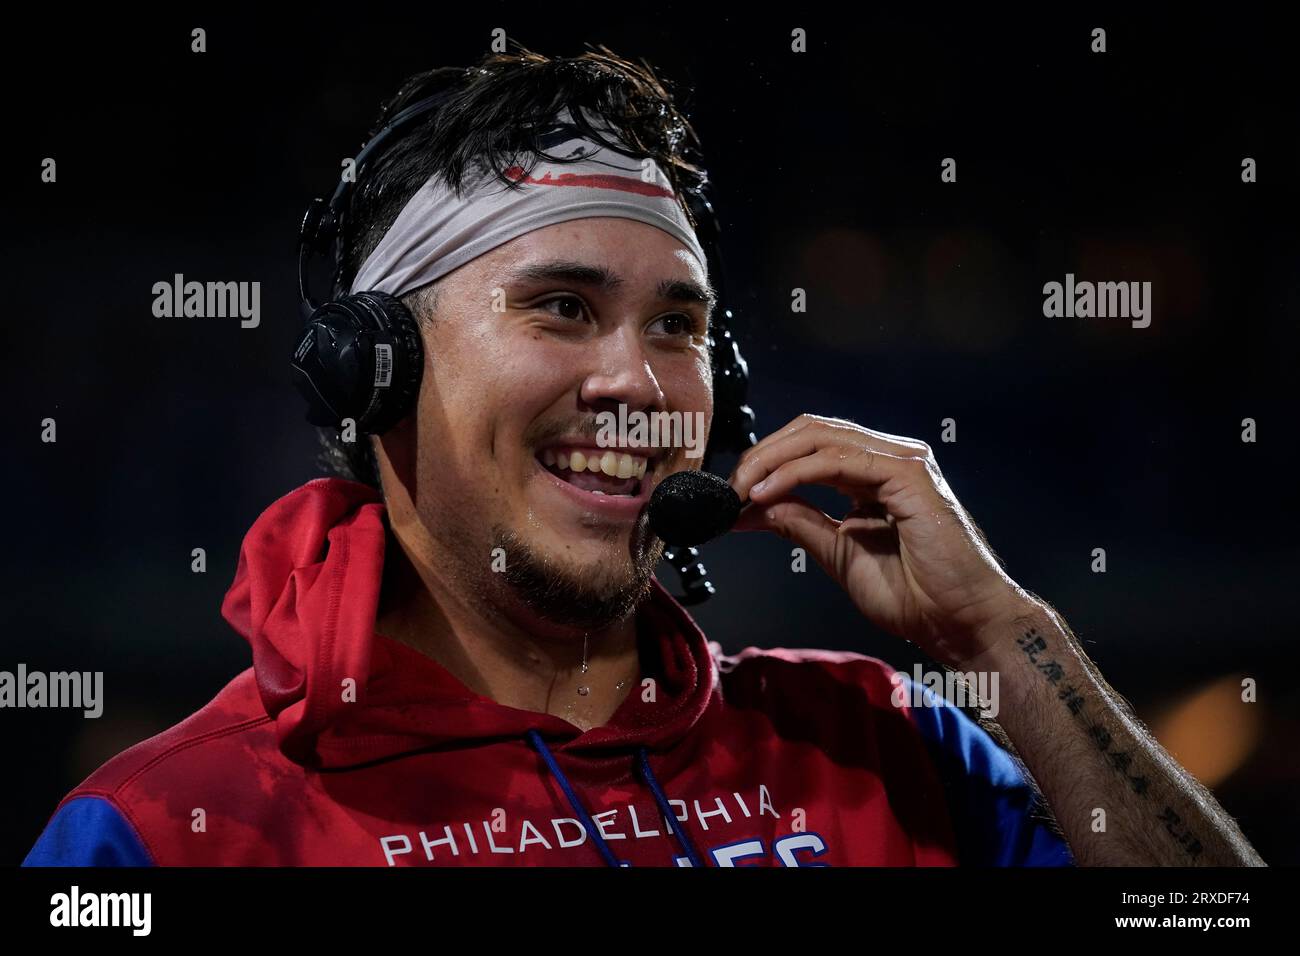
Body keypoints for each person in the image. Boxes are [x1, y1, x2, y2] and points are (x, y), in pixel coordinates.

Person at [24, 44, 1262, 867]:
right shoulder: (157, 831)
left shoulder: (887, 741)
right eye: (561, 306)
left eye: (677, 324)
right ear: (374, 367)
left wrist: (1008, 639)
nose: (639, 381)